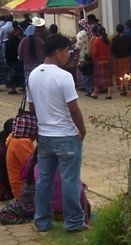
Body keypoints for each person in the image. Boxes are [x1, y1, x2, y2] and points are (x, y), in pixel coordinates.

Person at [26, 34, 88, 233]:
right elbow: (73, 109)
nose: (68, 55)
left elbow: (32, 107)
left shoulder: (33, 75)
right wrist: (82, 129)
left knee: (44, 180)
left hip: (45, 136)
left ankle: (42, 221)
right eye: (66, 51)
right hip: (66, 135)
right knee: (70, 180)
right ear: (57, 52)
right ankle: (74, 222)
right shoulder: (64, 76)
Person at [90, 25, 113, 100]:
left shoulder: (96, 41)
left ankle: (95, 93)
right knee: (108, 78)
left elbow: (95, 53)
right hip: (107, 61)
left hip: (99, 62)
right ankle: (109, 94)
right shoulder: (108, 41)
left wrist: (94, 58)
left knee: (97, 78)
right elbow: (110, 51)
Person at [111, 24, 131, 93]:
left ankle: (122, 86)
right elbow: (130, 48)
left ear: (117, 30)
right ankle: (127, 85)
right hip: (127, 57)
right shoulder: (127, 38)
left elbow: (113, 50)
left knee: (119, 73)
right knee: (127, 71)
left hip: (118, 58)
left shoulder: (115, 39)